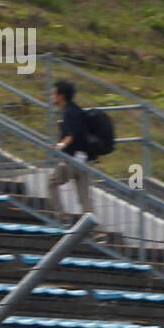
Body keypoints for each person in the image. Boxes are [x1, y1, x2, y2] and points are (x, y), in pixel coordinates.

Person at [49, 79, 93, 221]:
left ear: (61, 96)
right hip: (83, 160)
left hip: (70, 161)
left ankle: (61, 217)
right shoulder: (78, 110)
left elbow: (70, 136)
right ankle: (92, 227)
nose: (52, 97)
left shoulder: (68, 112)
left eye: (53, 94)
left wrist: (59, 147)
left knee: (51, 183)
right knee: (84, 197)